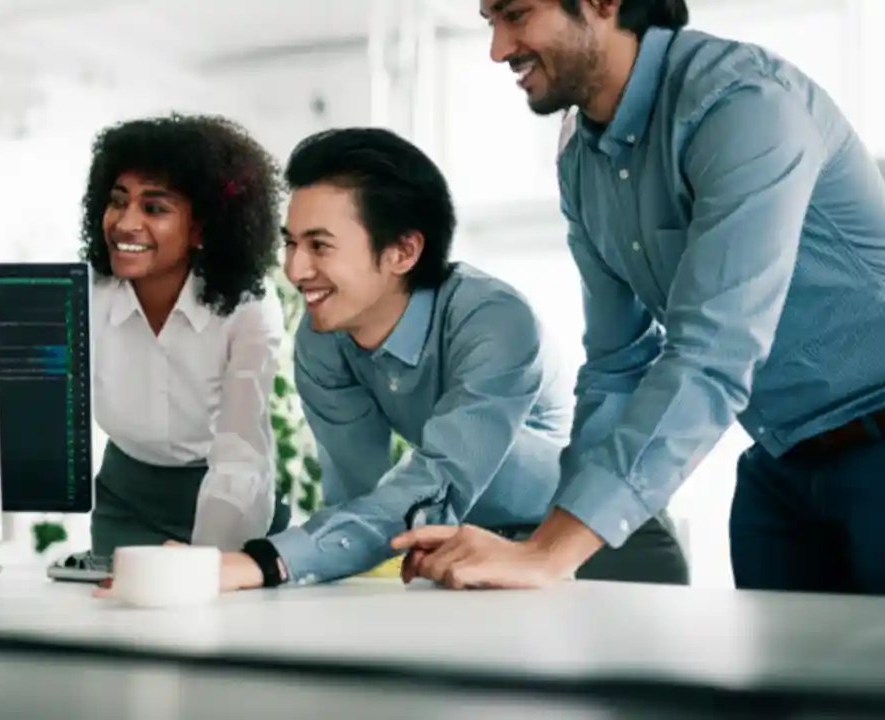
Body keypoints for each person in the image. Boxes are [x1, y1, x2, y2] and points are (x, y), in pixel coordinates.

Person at [396, 0, 885, 594]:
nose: (498, 48)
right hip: (780, 460)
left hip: (875, 440)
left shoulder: (745, 103)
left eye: (516, 15)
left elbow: (714, 352)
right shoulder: (580, 161)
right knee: (781, 685)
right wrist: (548, 547)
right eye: (490, 23)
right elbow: (617, 367)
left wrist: (552, 550)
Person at [208, 127, 687, 592]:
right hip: (471, 551)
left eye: (319, 246)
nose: (294, 269)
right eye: (290, 243)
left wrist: (264, 561)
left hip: (601, 540)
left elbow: (436, 484)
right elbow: (359, 496)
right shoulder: (323, 340)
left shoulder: (494, 321)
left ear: (403, 251)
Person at [76, 114, 288, 561]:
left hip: (231, 490)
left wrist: (209, 562)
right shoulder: (86, 294)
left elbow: (241, 452)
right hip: (125, 494)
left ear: (202, 228)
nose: (125, 223)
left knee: (222, 623)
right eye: (118, 201)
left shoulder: (247, 306)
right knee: (118, 627)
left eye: (154, 208)